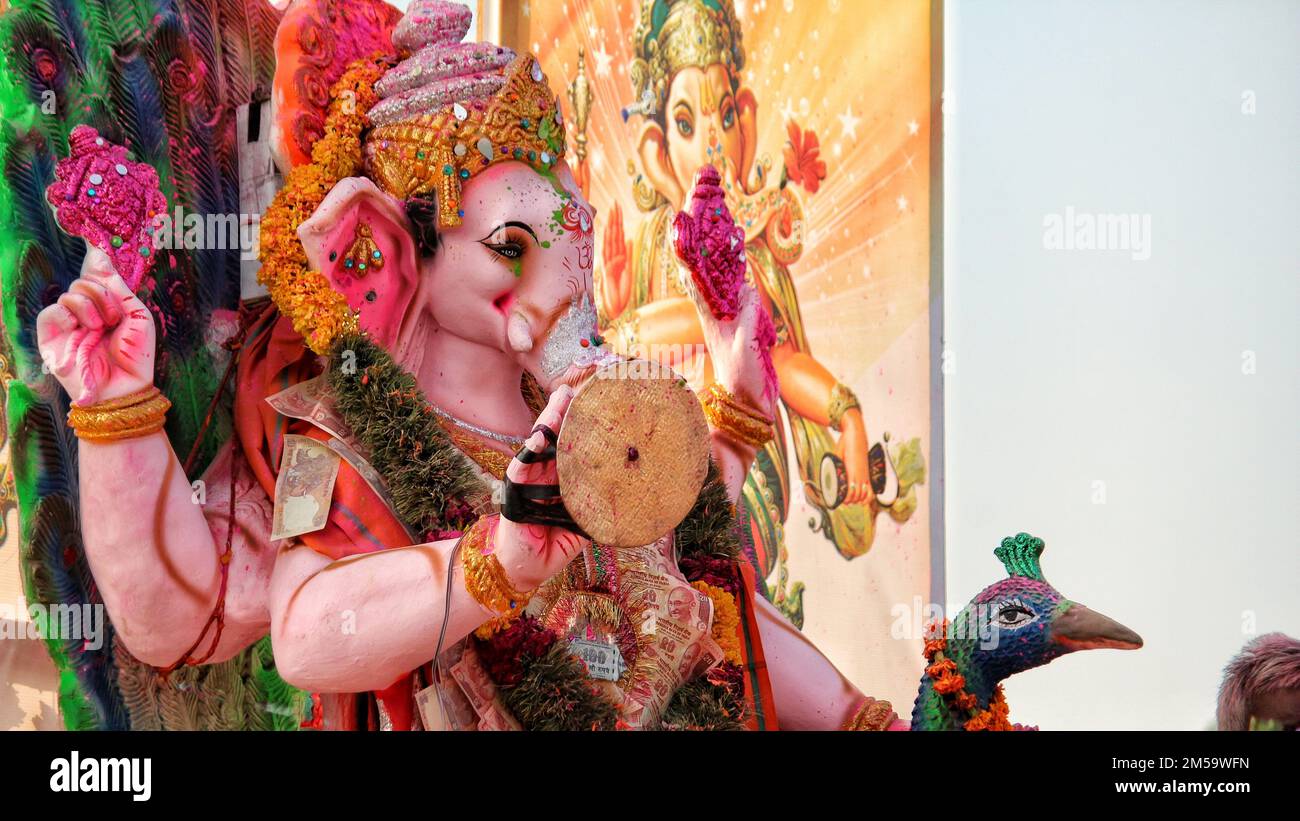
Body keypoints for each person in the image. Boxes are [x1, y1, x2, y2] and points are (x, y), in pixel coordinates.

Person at [34, 0, 895, 731]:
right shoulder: (334, 443)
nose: (552, 276)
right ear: (379, 253)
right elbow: (285, 627)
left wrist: (865, 715)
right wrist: (495, 565)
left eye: (567, 235)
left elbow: (704, 585)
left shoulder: (581, 414)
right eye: (505, 246)